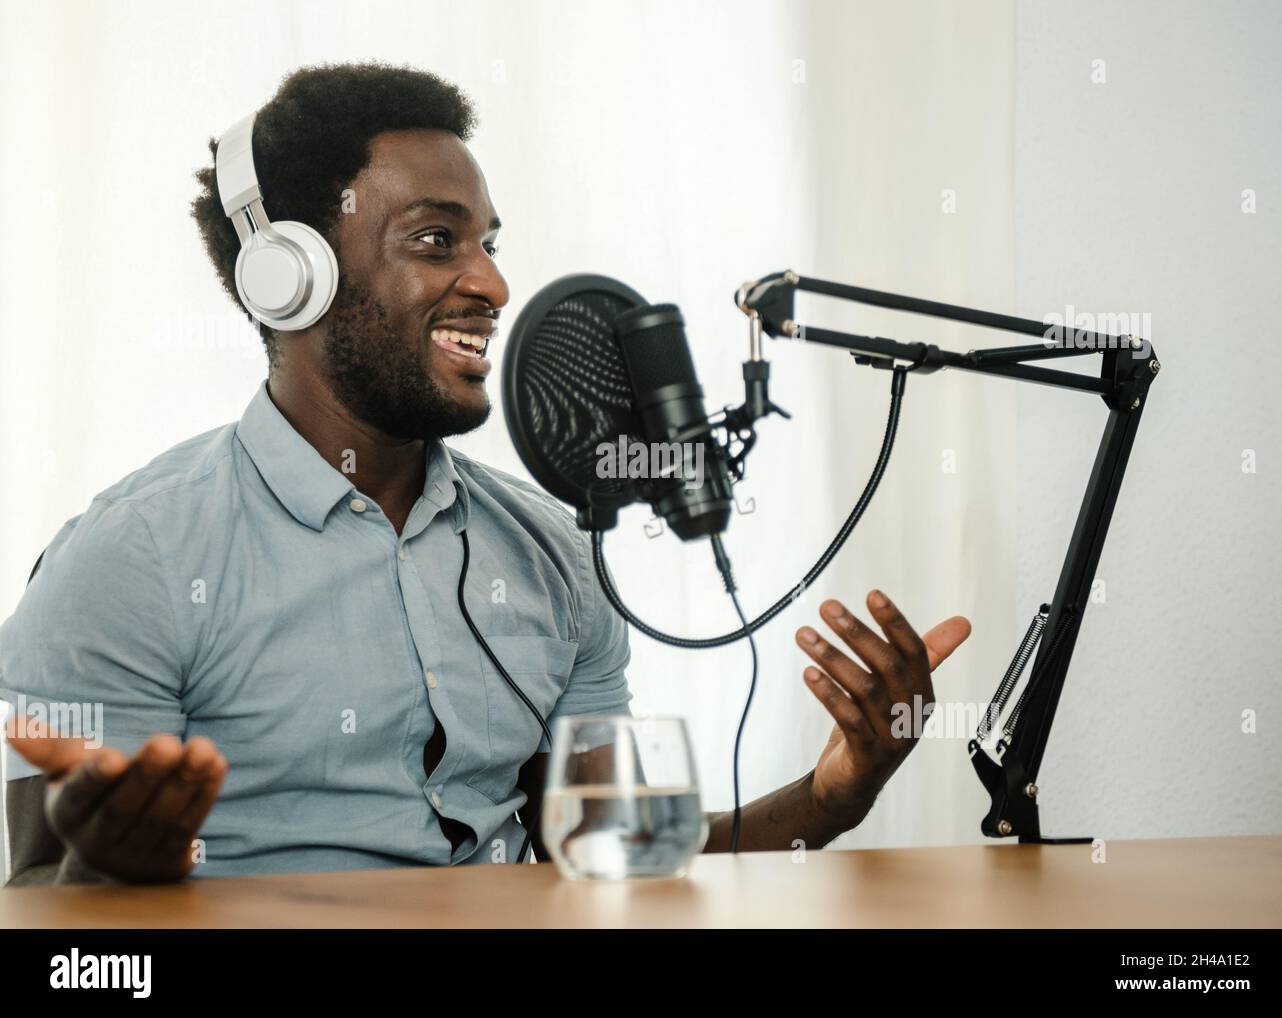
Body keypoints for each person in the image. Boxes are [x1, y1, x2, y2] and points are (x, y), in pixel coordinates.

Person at [1, 63, 970, 884]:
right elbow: (50, 922)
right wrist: (107, 866)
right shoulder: (130, 560)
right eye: (435, 240)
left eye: (488, 243)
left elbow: (615, 862)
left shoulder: (550, 552)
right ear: (287, 274)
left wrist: (832, 795)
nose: (494, 284)